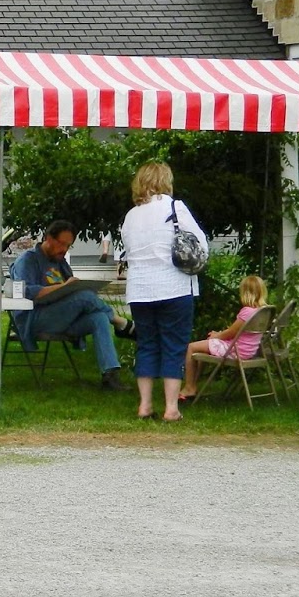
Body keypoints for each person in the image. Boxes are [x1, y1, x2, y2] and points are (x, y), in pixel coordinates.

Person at [121, 162, 207, 421]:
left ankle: (144, 406)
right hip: (174, 287)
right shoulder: (175, 207)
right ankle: (171, 408)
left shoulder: (131, 215)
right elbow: (201, 243)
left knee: (146, 344)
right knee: (173, 345)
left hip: (140, 290)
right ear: (165, 180)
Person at [10, 220, 134, 393]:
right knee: (84, 297)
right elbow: (29, 292)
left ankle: (110, 375)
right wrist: (65, 287)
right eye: (61, 243)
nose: (64, 249)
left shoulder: (60, 262)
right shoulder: (28, 260)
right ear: (48, 238)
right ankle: (120, 322)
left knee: (98, 318)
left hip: (63, 318)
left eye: (69, 245)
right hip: (34, 318)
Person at [179, 275, 270, 403]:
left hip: (235, 351)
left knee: (191, 347)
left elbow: (230, 333)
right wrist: (219, 334)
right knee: (203, 348)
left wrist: (216, 335)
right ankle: (192, 386)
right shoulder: (262, 311)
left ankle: (189, 387)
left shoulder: (247, 312)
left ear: (245, 293)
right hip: (248, 351)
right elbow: (236, 332)